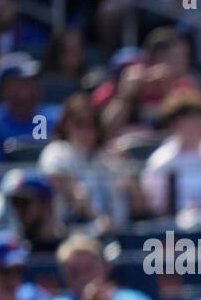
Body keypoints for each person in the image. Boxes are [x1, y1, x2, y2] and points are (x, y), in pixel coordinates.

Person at [37, 93, 132, 235]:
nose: (86, 130)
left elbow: (130, 203)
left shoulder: (106, 159)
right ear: (65, 125)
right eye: (79, 123)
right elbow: (65, 189)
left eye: (92, 123)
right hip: (67, 232)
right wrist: (96, 217)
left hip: (110, 233)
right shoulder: (56, 151)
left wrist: (126, 169)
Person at [140, 89, 201, 228]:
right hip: (175, 235)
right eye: (189, 121)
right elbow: (156, 206)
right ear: (174, 125)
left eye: (198, 119)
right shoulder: (160, 161)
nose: (196, 126)